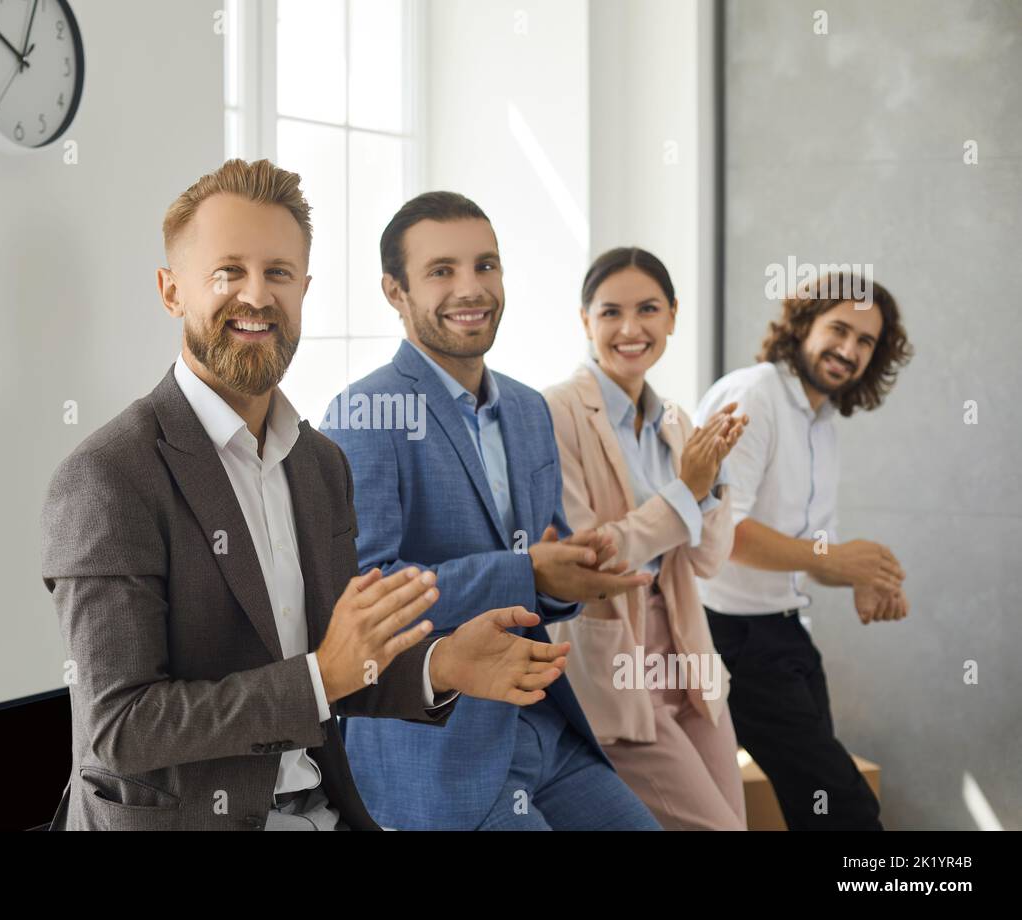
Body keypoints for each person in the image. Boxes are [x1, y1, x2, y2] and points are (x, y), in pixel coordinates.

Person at [41, 160, 572, 831]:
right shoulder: (108, 475)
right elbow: (121, 728)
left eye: (279, 273)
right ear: (171, 291)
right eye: (228, 271)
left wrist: (442, 663)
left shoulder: (319, 463)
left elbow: (344, 653)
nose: (256, 296)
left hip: (330, 812)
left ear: (305, 289)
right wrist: (321, 677)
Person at [321, 192, 661, 831]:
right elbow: (375, 595)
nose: (471, 288)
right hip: (440, 749)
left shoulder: (531, 410)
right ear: (395, 292)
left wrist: (571, 577)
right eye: (441, 271)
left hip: (544, 726)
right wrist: (529, 571)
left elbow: (541, 564)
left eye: (486, 266)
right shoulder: (362, 415)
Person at [695, 274, 913, 830]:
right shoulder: (753, 395)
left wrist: (859, 577)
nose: (849, 349)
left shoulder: (820, 421)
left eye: (866, 341)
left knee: (818, 806)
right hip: (729, 637)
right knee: (845, 810)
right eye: (839, 328)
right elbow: (721, 533)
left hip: (783, 631)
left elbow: (811, 548)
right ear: (802, 326)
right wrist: (831, 561)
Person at [543, 247, 749, 830]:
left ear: (673, 317)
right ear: (586, 321)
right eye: (611, 313)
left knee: (737, 820)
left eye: (648, 310)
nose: (630, 329)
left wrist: (712, 485)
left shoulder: (679, 423)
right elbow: (592, 557)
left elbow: (709, 560)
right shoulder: (555, 412)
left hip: (688, 651)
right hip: (618, 663)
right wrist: (688, 489)